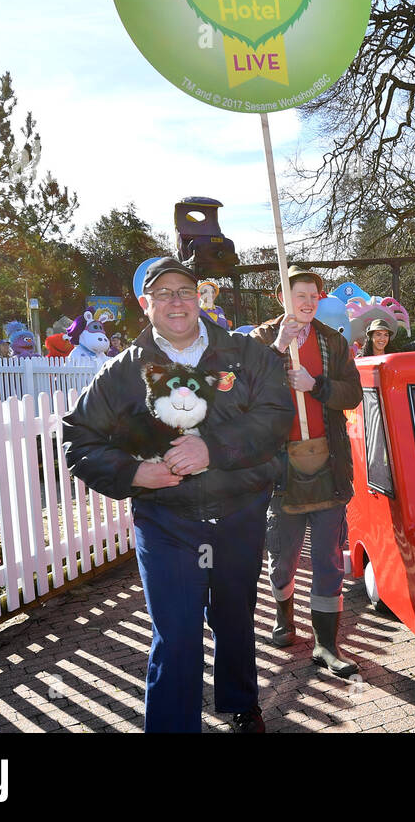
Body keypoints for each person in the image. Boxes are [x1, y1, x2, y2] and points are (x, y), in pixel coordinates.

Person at [62, 257, 295, 733]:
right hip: (167, 522)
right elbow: (78, 439)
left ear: (200, 298)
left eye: (185, 291)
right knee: (177, 632)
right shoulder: (123, 372)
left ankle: (240, 702)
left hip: (238, 513)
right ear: (145, 304)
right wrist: (133, 473)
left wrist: (214, 448)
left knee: (234, 618)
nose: (176, 301)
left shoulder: (245, 354)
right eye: (163, 293)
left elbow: (274, 417)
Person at [250, 265, 363, 676]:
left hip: (329, 464)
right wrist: (277, 351)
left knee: (329, 558)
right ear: (284, 298)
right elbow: (242, 388)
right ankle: (283, 618)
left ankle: (327, 645)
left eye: (314, 295)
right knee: (283, 554)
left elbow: (351, 393)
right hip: (281, 470)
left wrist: (315, 384)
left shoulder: (334, 342)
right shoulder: (262, 340)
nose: (308, 302)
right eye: (300, 295)